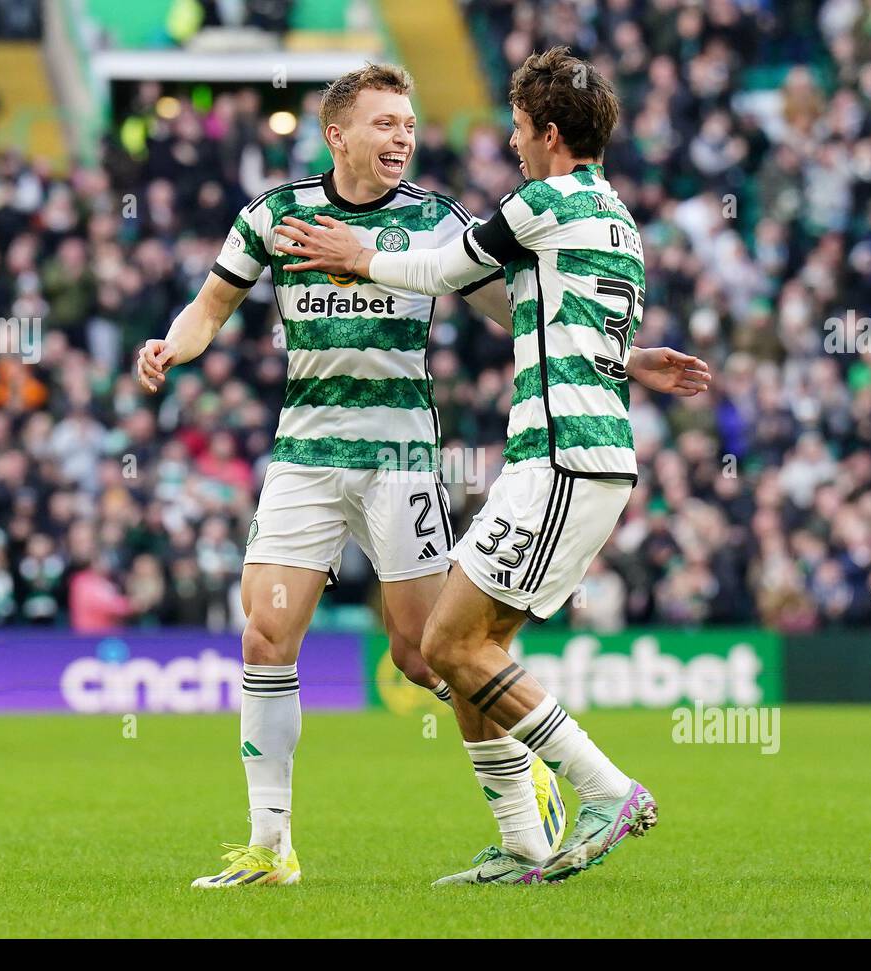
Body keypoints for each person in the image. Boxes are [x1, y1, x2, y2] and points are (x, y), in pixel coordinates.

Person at [275, 47, 711, 884]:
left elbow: (446, 268)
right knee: (464, 647)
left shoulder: (544, 200)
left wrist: (358, 256)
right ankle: (523, 839)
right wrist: (635, 357)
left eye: (517, 128)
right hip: (566, 454)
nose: (511, 143)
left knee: (447, 641)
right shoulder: (612, 211)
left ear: (549, 133)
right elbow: (561, 316)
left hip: (563, 460)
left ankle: (607, 788)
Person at [137, 64, 566, 889]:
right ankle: (270, 847)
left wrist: (596, 344)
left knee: (422, 654)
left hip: (401, 457)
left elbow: (509, 314)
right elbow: (211, 309)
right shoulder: (275, 215)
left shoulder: (438, 222)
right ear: (338, 135)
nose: (403, 135)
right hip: (304, 454)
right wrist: (169, 344)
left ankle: (525, 781)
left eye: (408, 122)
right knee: (264, 634)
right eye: (385, 123)